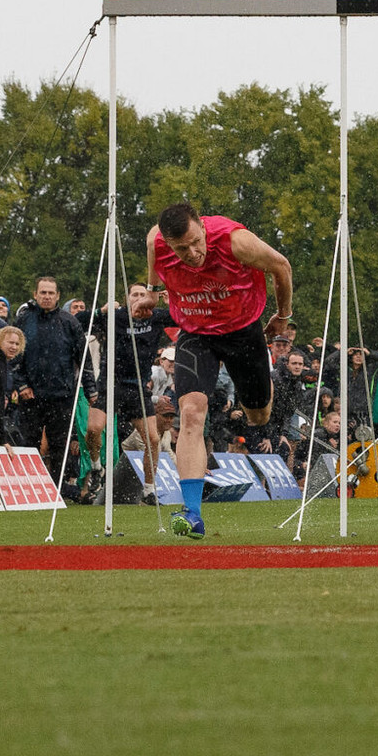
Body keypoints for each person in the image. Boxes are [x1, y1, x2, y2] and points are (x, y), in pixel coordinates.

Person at [149, 203, 295, 538]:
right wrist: (153, 291)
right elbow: (151, 247)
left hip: (243, 332)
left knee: (258, 415)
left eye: (195, 242)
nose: (192, 254)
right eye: (181, 249)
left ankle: (263, 388)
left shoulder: (236, 242)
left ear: (202, 227)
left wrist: (283, 315)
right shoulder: (157, 241)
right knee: (191, 413)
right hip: (196, 333)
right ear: (168, 244)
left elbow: (281, 266)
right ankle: (193, 513)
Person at [92, 283, 169, 505]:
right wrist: (101, 311)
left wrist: (169, 301)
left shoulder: (156, 316)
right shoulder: (117, 316)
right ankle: (96, 467)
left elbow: (184, 319)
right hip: (111, 384)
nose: (138, 298)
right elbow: (81, 321)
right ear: (127, 299)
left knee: (152, 439)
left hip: (137, 387)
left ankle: (149, 489)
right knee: (93, 429)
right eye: (134, 294)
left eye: (143, 295)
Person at [11, 277, 88, 474]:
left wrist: (91, 389)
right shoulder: (24, 320)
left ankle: (58, 487)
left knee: (59, 447)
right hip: (31, 396)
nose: (47, 297)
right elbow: (13, 357)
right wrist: (21, 385)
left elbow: (83, 358)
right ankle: (28, 482)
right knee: (28, 444)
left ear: (58, 296)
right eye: (43, 292)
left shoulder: (69, 322)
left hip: (61, 396)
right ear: (35, 294)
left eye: (51, 293)